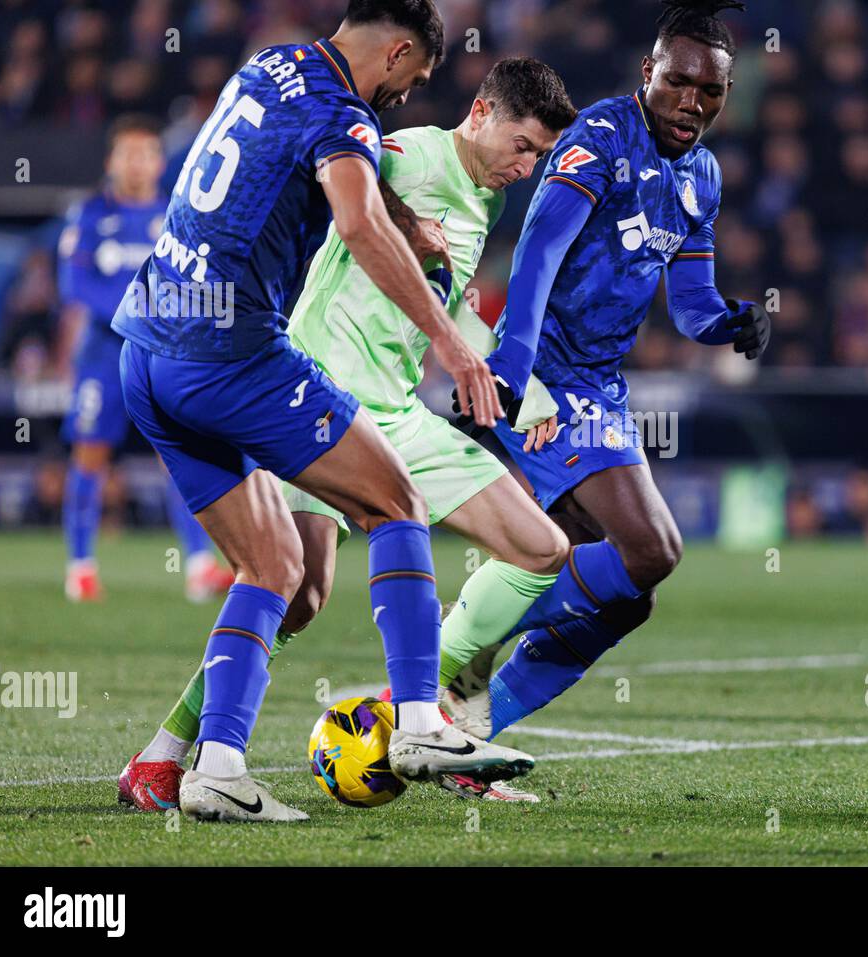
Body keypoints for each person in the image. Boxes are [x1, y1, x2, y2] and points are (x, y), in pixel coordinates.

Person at [119, 56, 577, 810]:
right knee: (293, 589)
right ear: (483, 112)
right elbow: (355, 197)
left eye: (540, 158)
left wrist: (527, 398)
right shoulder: (409, 153)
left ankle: (423, 717)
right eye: (522, 146)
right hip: (316, 395)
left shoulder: (483, 203)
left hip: (395, 408)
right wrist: (404, 220)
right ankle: (173, 754)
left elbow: (444, 304)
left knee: (540, 548)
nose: (526, 168)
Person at [436, 0, 771, 742]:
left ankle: (471, 726)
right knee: (652, 550)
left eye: (711, 90)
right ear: (647, 72)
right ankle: (447, 645)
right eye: (679, 81)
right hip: (550, 377)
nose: (693, 102)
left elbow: (689, 304)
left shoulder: (702, 178)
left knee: (625, 596)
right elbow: (540, 245)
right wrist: (516, 365)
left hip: (601, 388)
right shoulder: (602, 136)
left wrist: (730, 320)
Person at [58, 114, 233, 603]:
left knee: (175, 455)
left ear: (160, 162)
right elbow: (74, 285)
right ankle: (81, 567)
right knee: (91, 454)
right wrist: (135, 312)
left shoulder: (177, 215)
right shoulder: (89, 215)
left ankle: (199, 566)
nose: (137, 163)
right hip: (103, 356)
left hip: (162, 357)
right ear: (112, 160)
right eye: (128, 153)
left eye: (147, 153)